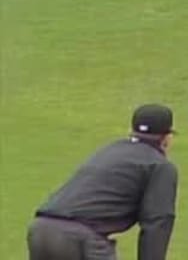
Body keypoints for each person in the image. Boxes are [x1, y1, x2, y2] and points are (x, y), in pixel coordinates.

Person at [28, 103, 179, 260]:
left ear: (131, 131)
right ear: (167, 138)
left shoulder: (111, 150)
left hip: (41, 230)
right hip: (80, 238)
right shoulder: (159, 165)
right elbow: (157, 222)